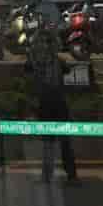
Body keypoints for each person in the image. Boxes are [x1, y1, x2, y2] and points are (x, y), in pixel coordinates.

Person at [26, 28, 78, 183]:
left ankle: (62, 175)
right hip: (51, 104)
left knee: (58, 142)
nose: (45, 46)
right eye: (44, 43)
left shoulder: (50, 62)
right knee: (55, 142)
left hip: (53, 104)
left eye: (47, 43)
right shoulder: (43, 62)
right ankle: (58, 175)